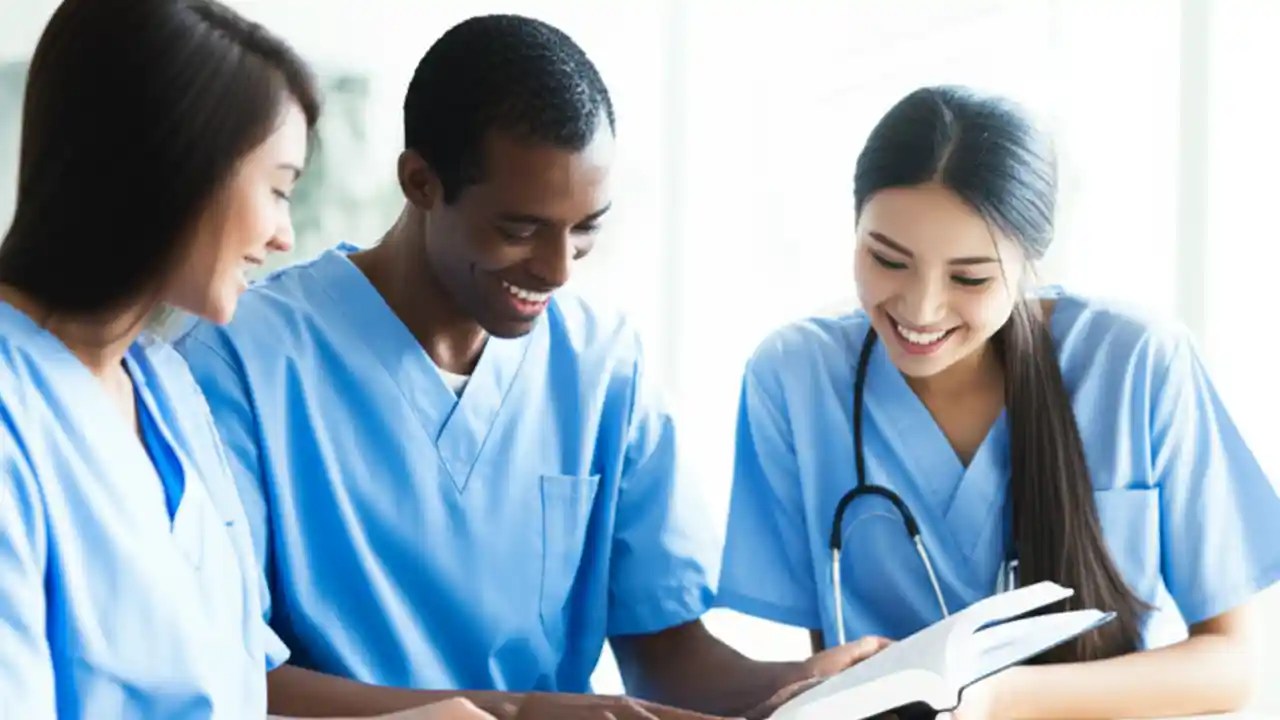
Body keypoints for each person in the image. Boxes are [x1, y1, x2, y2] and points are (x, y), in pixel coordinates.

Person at [175, 13, 885, 720]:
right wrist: (514, 713)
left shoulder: (601, 367)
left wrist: (815, 687)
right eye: (519, 230)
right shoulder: (239, 365)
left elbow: (670, 661)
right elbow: (229, 678)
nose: (556, 269)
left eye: (586, 229)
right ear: (421, 183)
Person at [717, 83, 1280, 719]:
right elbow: (830, 655)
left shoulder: (1137, 364)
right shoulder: (795, 377)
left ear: (1029, 262)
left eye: (970, 277)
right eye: (887, 259)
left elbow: (1230, 665)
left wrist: (996, 699)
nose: (921, 309)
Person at [0, 1, 494, 718]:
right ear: (174, 164)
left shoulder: (163, 387)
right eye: (278, 188)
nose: (283, 236)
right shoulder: (15, 412)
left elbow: (232, 696)